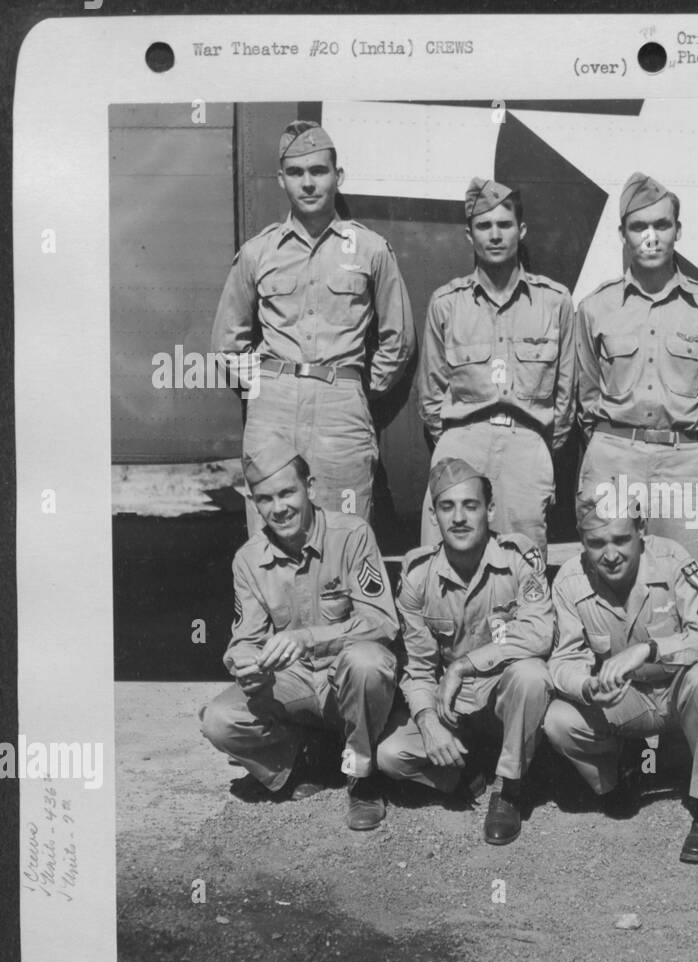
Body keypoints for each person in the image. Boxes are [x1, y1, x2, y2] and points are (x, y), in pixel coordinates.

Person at [212, 120, 416, 534]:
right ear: (281, 179)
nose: (308, 183)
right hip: (273, 405)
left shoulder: (370, 249)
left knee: (344, 531)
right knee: (272, 533)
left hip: (341, 406)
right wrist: (267, 386)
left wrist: (354, 386)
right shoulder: (258, 252)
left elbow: (399, 339)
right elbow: (227, 342)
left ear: (337, 177)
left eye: (319, 172)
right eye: (296, 173)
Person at [199, 439, 398, 831]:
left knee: (367, 662)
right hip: (297, 682)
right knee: (219, 720)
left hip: (344, 677)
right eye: (265, 499)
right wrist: (244, 664)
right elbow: (245, 639)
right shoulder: (249, 560)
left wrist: (307, 637)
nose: (279, 508)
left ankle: (362, 777)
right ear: (255, 503)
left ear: (310, 486)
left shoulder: (352, 535)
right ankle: (303, 758)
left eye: (288, 492)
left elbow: (382, 622)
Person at [544, 483, 698, 863]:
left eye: (621, 539)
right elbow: (561, 660)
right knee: (559, 719)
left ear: (641, 532)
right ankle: (618, 781)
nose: (611, 554)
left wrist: (649, 648)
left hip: (680, 690)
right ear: (582, 542)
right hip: (627, 697)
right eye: (597, 543)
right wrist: (586, 686)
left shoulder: (674, 560)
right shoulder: (569, 580)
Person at [377, 458, 554, 845]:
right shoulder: (419, 575)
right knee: (392, 756)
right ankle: (466, 773)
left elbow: (540, 634)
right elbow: (420, 668)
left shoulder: (517, 558)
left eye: (470, 506)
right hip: (453, 707)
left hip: (505, 697)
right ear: (434, 514)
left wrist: (465, 664)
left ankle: (509, 790)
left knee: (531, 674)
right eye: (447, 507)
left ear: (489, 510)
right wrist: (427, 722)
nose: (459, 518)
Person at [574, 172, 698, 569]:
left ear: (678, 230)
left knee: (688, 574)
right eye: (638, 226)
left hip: (683, 460)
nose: (651, 236)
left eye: (662, 225)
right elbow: (587, 395)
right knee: (607, 575)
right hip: (613, 456)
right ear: (622, 234)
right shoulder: (596, 308)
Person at [417, 178, 576, 555]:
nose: (495, 235)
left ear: (520, 232)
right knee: (445, 560)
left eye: (504, 225)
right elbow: (431, 392)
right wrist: (459, 438)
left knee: (522, 561)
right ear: (469, 235)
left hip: (527, 446)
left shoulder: (555, 302)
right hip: (461, 442)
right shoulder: (447, 303)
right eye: (484, 226)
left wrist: (537, 448)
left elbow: (566, 395)